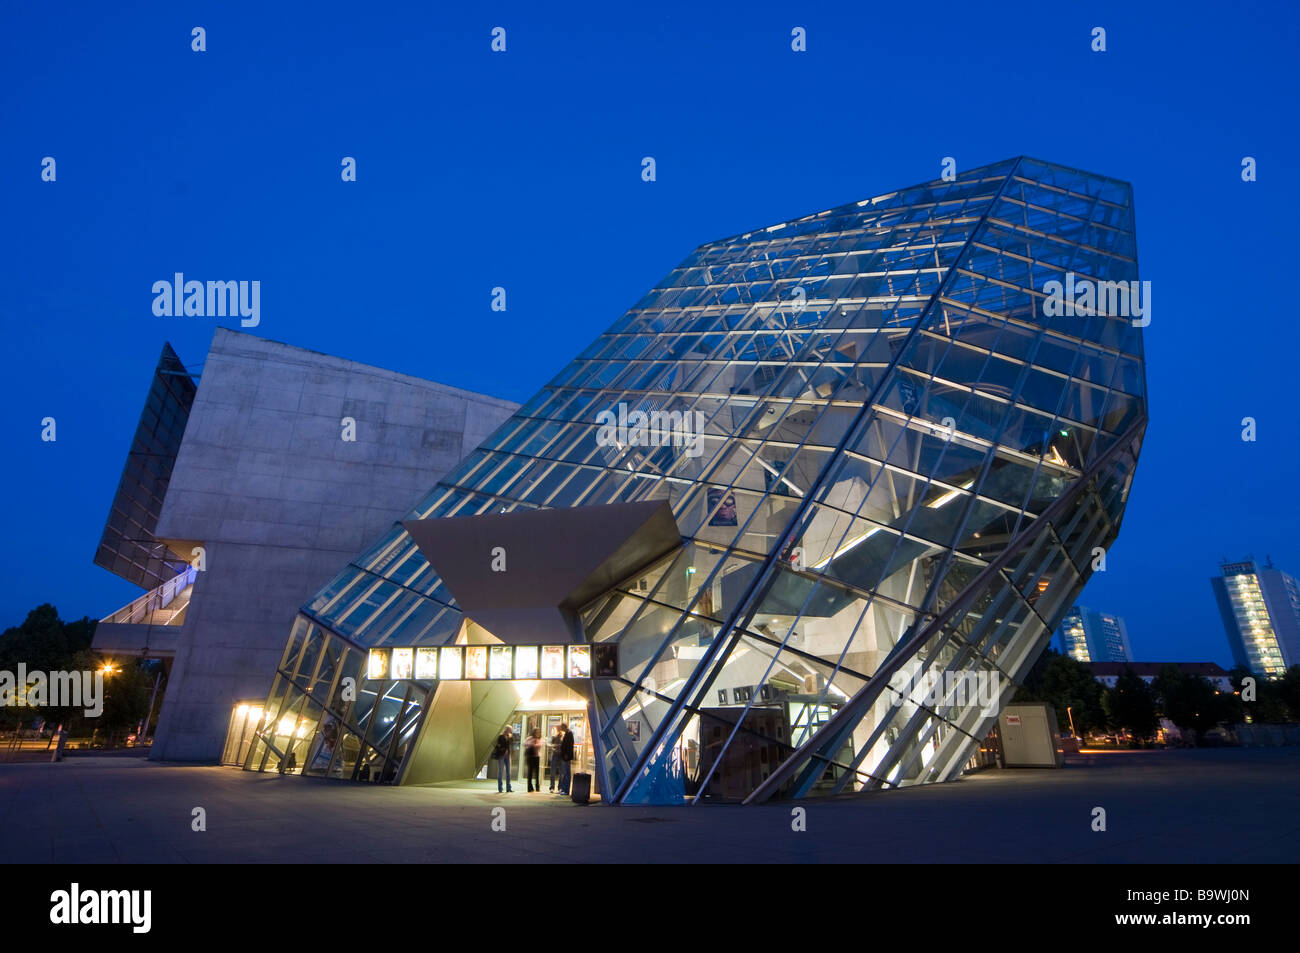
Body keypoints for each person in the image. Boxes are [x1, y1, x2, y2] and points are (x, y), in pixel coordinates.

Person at [492, 726, 514, 793]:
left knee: (508, 772)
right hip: (501, 755)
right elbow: (498, 746)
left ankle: (508, 788)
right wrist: (504, 750)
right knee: (501, 772)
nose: (510, 731)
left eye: (510, 730)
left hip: (507, 756)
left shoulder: (510, 737)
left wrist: (510, 737)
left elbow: (511, 744)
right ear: (506, 730)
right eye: (509, 730)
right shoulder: (501, 737)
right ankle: (500, 788)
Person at [557, 722, 575, 796]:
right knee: (565, 773)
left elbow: (569, 745)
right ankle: (564, 789)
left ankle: (565, 789)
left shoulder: (569, 734)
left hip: (566, 757)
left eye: (561, 727)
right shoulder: (568, 733)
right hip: (565, 756)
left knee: (566, 773)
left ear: (564, 727)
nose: (560, 729)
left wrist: (566, 754)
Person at [548, 726, 563, 792]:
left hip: (559, 756)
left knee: (558, 772)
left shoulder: (562, 737)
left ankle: (556, 787)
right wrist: (554, 749)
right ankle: (554, 787)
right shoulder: (554, 737)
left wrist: (554, 749)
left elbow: (551, 746)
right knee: (554, 772)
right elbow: (551, 745)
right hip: (556, 755)